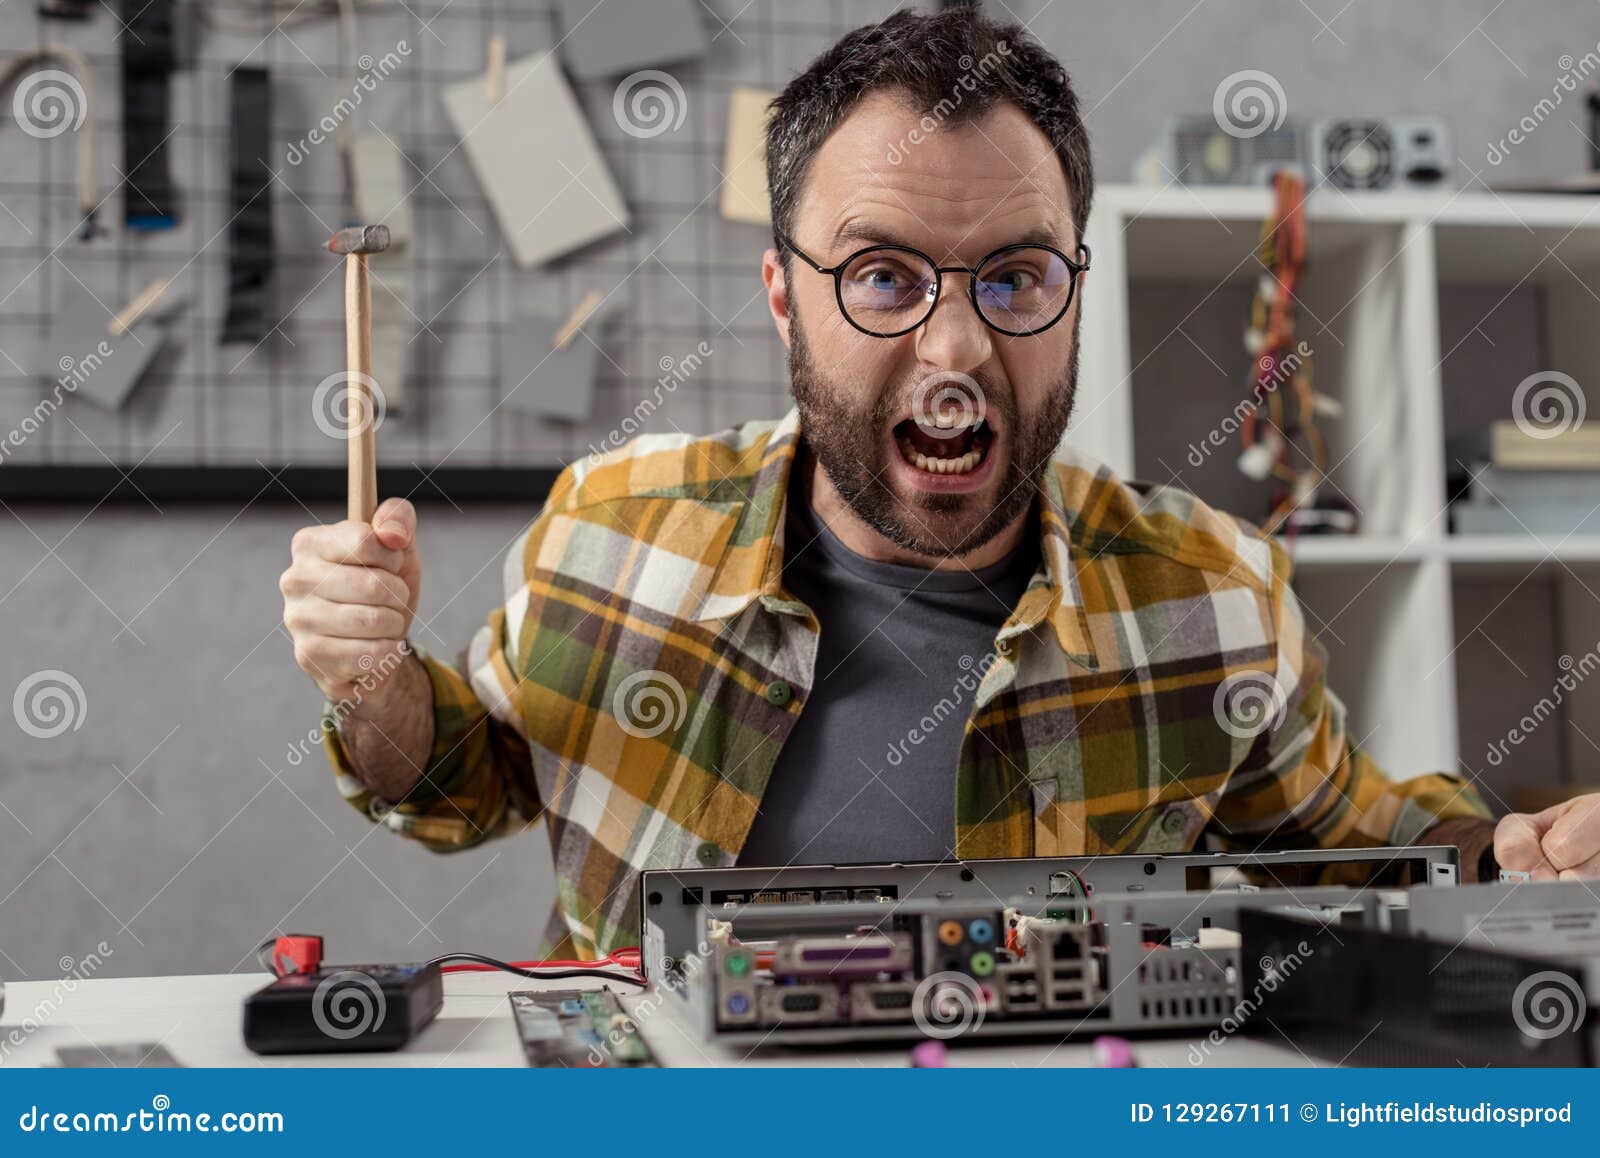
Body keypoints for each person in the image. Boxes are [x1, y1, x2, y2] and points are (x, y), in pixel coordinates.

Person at [278, 8, 1600, 959]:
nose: (958, 351)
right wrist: (372, 677)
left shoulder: (1212, 598)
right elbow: (457, 782)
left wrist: (1522, 856)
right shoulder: (612, 530)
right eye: (884, 276)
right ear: (784, 301)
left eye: (1016, 278)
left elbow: (1367, 845)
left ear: (1075, 294)